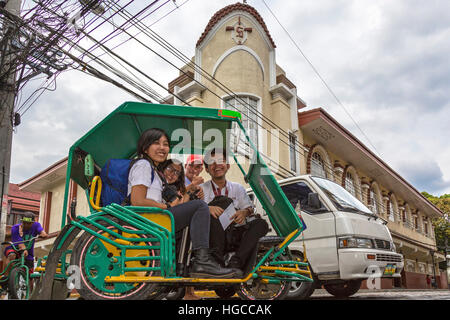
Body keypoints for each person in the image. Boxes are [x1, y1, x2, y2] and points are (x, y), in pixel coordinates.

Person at [127, 128, 234, 279]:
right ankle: (202, 262)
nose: (162, 148)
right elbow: (137, 200)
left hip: (155, 217)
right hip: (150, 218)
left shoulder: (153, 170)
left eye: (165, 144)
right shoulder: (143, 165)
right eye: (156, 143)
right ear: (145, 147)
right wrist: (165, 207)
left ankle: (187, 267)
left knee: (197, 209)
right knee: (200, 207)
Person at [201, 148, 269, 275]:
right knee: (222, 201)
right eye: (212, 162)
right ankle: (218, 264)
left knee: (261, 224)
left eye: (221, 161)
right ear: (207, 168)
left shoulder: (238, 188)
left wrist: (244, 213)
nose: (217, 165)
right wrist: (207, 208)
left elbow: (249, 208)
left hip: (235, 232)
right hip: (214, 236)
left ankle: (236, 262)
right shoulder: (202, 189)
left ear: (227, 165)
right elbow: (195, 212)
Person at [2, 212, 48, 277]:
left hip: (28, 253)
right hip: (14, 249)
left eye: (28, 223)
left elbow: (42, 232)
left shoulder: (36, 225)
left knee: (29, 276)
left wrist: (43, 234)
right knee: (11, 255)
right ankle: (6, 277)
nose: (26, 225)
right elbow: (19, 243)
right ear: (22, 222)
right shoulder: (15, 228)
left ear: (33, 223)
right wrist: (24, 250)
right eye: (24, 223)